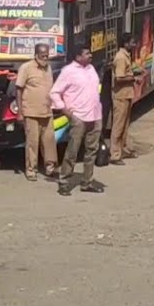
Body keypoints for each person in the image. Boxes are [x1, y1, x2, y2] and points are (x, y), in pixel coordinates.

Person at [50, 46, 105, 196]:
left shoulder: (91, 69)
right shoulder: (68, 71)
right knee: (73, 151)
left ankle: (87, 181)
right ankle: (64, 181)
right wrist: (66, 111)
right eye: (87, 53)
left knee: (91, 150)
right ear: (78, 56)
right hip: (78, 117)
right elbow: (54, 93)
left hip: (95, 115)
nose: (90, 55)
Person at [15, 43, 57, 181]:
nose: (45, 59)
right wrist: (20, 112)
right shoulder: (26, 68)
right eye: (42, 56)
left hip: (47, 111)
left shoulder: (48, 68)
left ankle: (50, 167)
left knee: (49, 141)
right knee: (32, 143)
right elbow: (19, 89)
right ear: (35, 55)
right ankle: (31, 169)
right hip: (31, 112)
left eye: (47, 56)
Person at [109, 34, 140, 165]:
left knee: (125, 125)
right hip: (121, 95)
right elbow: (119, 78)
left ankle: (123, 149)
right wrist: (133, 78)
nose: (134, 45)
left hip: (127, 94)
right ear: (126, 44)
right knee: (118, 125)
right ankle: (115, 154)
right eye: (132, 42)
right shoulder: (121, 58)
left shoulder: (126, 55)